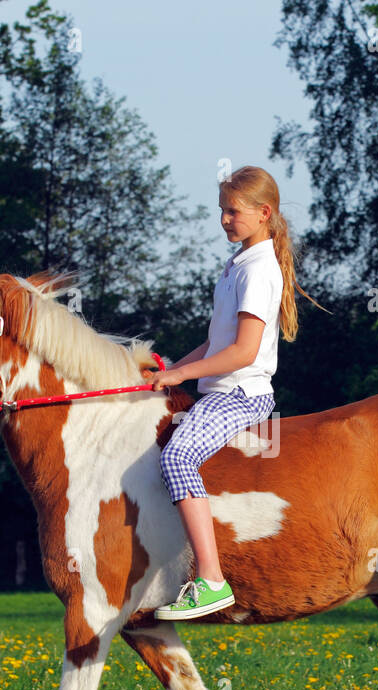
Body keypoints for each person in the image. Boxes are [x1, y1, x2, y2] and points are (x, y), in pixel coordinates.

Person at [143, 165, 324, 620]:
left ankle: (211, 579)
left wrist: (183, 378)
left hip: (240, 394)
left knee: (177, 457)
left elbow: (243, 353)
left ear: (264, 213)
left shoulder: (259, 270)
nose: (224, 220)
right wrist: (171, 369)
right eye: (221, 211)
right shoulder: (237, 264)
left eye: (233, 211)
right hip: (219, 388)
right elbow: (215, 343)